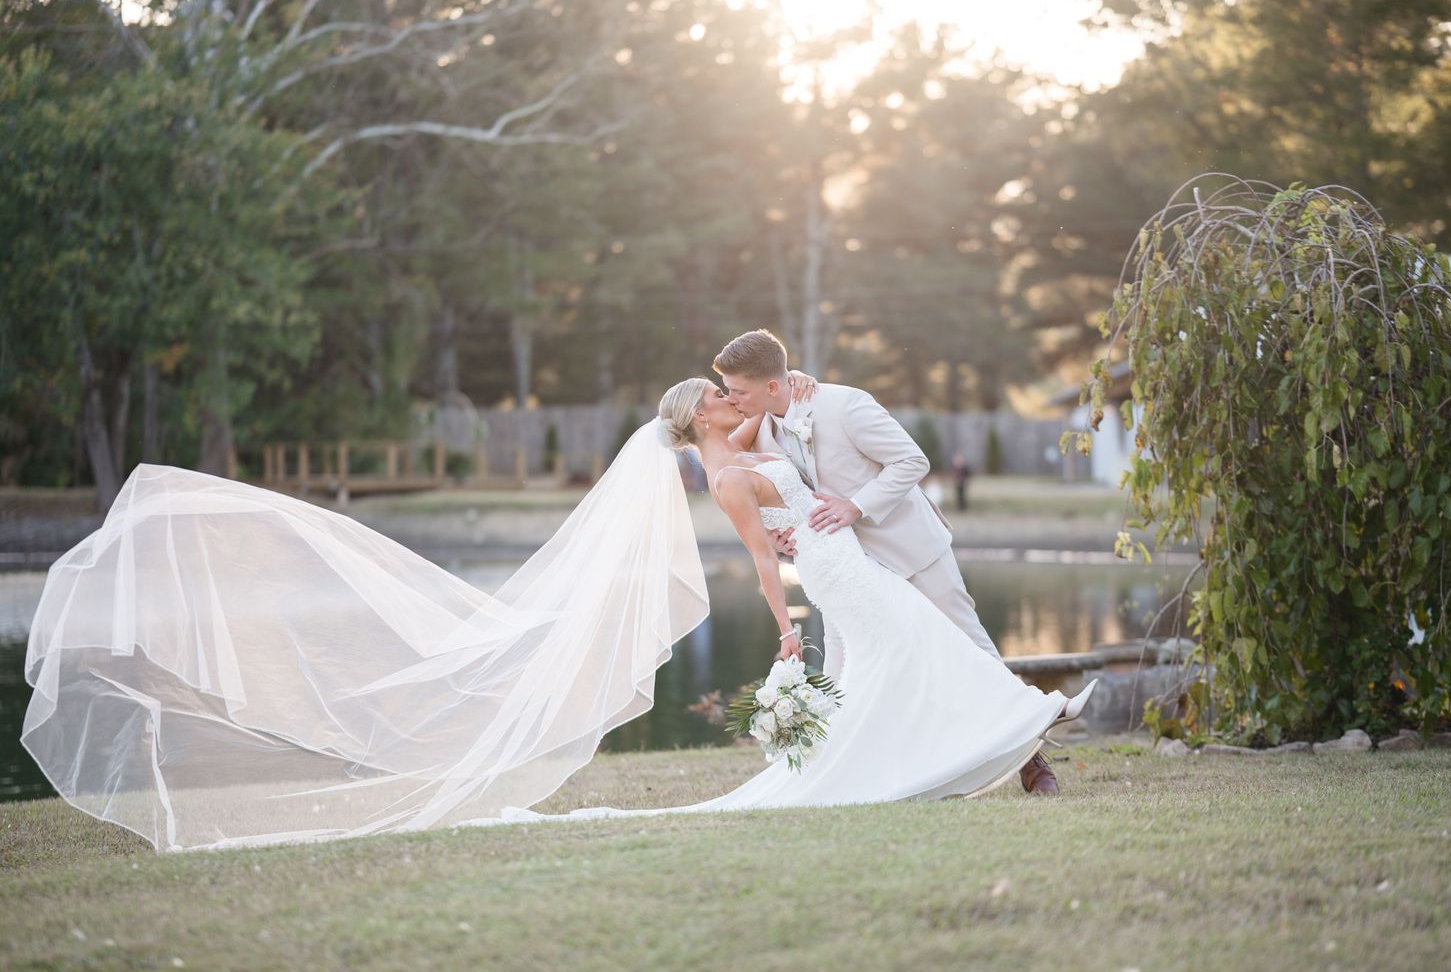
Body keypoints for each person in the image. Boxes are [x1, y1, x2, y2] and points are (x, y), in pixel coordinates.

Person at [21, 341, 1092, 852]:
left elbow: (800, 414)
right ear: (703, 419)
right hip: (839, 578)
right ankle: (986, 753)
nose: (732, 400)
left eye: (735, 389)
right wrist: (784, 624)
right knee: (923, 657)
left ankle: (993, 751)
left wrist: (807, 429)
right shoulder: (725, 466)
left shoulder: (776, 423)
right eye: (718, 397)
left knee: (934, 652)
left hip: (865, 560)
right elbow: (770, 551)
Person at [712, 329, 1067, 794]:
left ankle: (1032, 760)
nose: (732, 399)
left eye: (739, 390)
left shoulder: (844, 405)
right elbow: (776, 493)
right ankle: (842, 779)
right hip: (847, 569)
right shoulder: (760, 427)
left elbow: (910, 461)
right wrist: (785, 532)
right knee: (850, 673)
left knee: (970, 646)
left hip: (909, 548)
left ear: (773, 385)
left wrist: (855, 506)